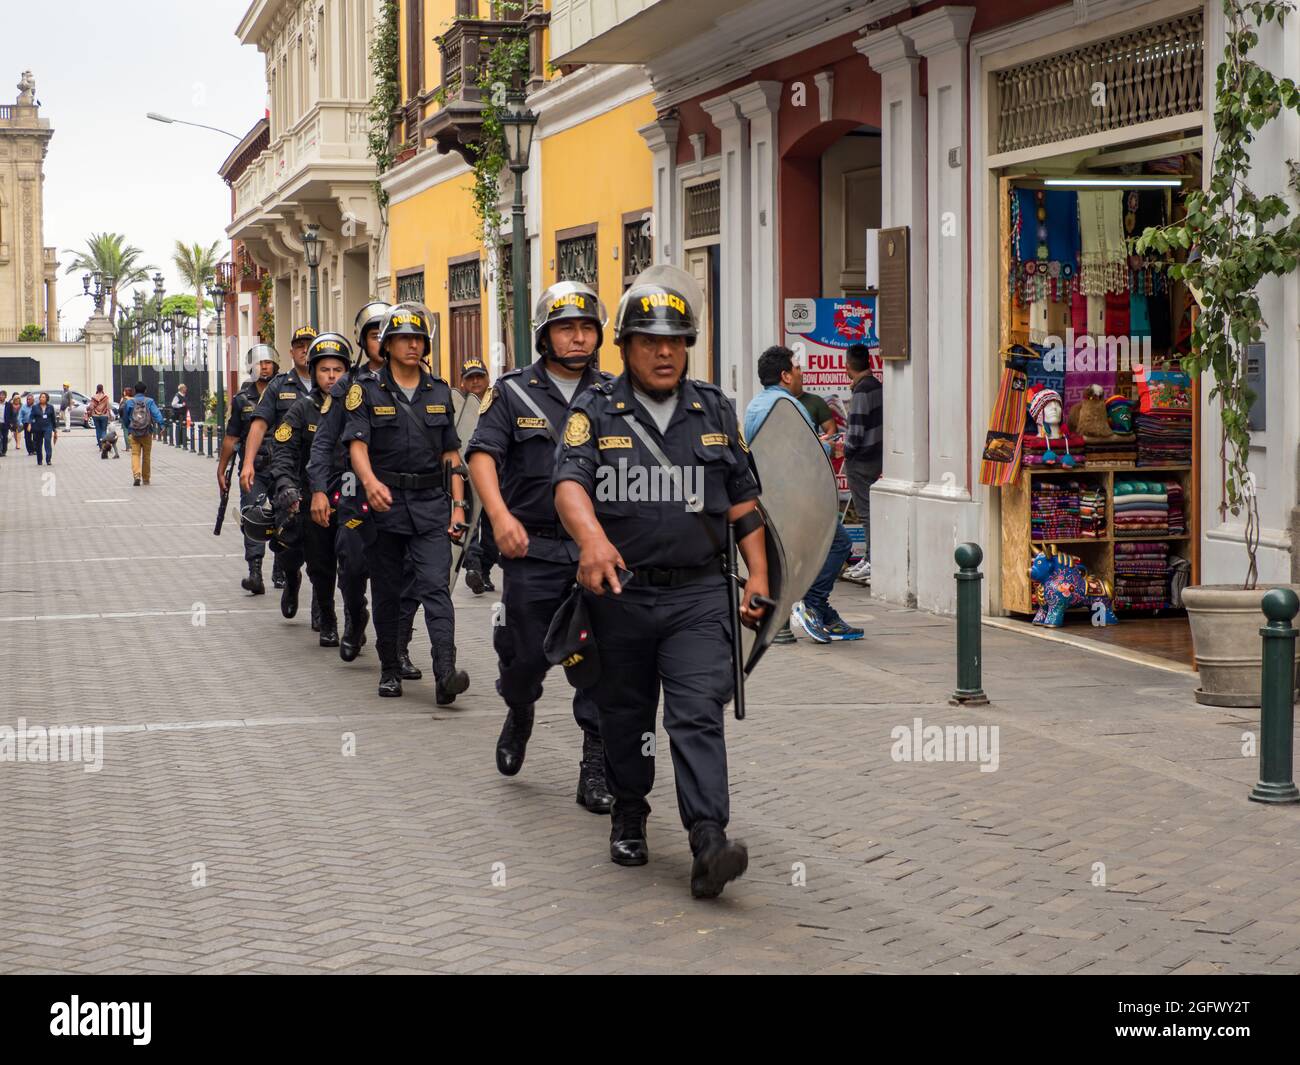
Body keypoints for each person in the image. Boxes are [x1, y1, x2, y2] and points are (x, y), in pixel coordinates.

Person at [553, 275, 770, 899]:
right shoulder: (593, 409)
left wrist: (756, 572)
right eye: (650, 341)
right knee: (624, 714)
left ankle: (709, 840)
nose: (665, 352)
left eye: (677, 341)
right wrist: (592, 541)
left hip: (699, 595)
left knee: (697, 712)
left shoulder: (714, 408)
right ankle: (629, 808)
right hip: (619, 593)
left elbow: (742, 499)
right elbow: (569, 486)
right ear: (624, 346)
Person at [466, 281, 614, 813]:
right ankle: (520, 708)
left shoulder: (615, 394)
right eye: (566, 328)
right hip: (532, 549)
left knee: (599, 661)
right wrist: (500, 517)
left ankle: (594, 765)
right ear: (545, 336)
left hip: (598, 553)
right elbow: (481, 456)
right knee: (525, 657)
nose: (578, 338)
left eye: (586, 328)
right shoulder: (511, 392)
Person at [343, 304, 470, 703]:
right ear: (388, 344)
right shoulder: (366, 390)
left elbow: (451, 455)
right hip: (386, 506)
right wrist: (369, 483)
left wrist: (460, 506)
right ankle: (390, 668)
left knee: (436, 587)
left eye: (419, 339)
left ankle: (445, 672)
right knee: (387, 590)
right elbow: (357, 446)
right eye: (404, 339)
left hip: (432, 503)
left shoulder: (439, 392)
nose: (413, 345)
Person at [308, 300, 424, 669]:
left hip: (408, 497)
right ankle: (356, 616)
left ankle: (399, 646)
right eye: (375, 334)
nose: (382, 340)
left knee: (410, 574)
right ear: (365, 339)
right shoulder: (349, 385)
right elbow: (325, 440)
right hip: (354, 491)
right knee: (354, 563)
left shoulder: (424, 383)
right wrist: (319, 489)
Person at [745, 346, 863, 644]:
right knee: (839, 544)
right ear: (785, 375)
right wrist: (826, 445)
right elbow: (803, 454)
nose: (801, 372)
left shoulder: (755, 405)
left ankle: (820, 611)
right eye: (796, 367)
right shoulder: (789, 405)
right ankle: (812, 602)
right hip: (797, 496)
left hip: (770, 495)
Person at [269, 333, 352, 647]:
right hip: (310, 496)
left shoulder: (358, 406)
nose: (331, 377)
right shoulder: (302, 410)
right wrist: (287, 486)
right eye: (325, 370)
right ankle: (324, 612)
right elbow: (283, 450)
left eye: (338, 370)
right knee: (315, 560)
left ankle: (346, 616)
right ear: (315, 373)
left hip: (351, 496)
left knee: (352, 561)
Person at [240, 326, 317, 615]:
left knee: (323, 544)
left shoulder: (336, 381)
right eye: (299, 345)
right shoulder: (280, 385)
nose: (305, 349)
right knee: (288, 538)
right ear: (291, 351)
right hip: (287, 475)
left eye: (310, 344)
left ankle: (321, 607)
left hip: (323, 475)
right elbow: (259, 423)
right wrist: (247, 463)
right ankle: (292, 578)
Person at [218, 346, 280, 595]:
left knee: (286, 517)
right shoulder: (242, 398)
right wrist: (221, 468)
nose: (264, 366)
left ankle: (283, 567)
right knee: (253, 516)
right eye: (259, 363)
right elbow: (232, 437)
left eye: (268, 362)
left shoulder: (286, 392)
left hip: (283, 468)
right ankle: (255, 572)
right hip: (253, 468)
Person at [458, 358, 499, 596]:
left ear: (487, 379)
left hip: (495, 479)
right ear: (462, 383)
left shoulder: (498, 405)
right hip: (466, 479)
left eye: (479, 376)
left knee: (493, 539)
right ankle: (472, 568)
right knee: (470, 527)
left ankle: (484, 571)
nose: (475, 381)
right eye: (470, 377)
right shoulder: (458, 407)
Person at [842, 344, 883, 582]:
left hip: (861, 460)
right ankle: (872, 558)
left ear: (847, 366)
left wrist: (845, 449)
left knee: (866, 513)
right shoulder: (876, 386)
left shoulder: (860, 392)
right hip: (876, 456)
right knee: (871, 512)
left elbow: (855, 433)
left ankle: (871, 560)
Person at [122, 382, 164, 485]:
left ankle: (136, 475)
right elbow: (156, 414)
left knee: (135, 454)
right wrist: (162, 425)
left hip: (134, 432)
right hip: (147, 432)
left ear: (135, 391)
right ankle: (146, 478)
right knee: (146, 455)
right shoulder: (149, 401)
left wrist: (129, 428)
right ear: (145, 391)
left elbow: (125, 417)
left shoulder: (130, 402)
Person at [30, 392, 59, 465]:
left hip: (48, 426)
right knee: (38, 444)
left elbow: (53, 418)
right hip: (38, 427)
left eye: (43, 397)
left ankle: (48, 459)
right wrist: (30, 424)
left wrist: (54, 429)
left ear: (47, 399)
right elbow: (31, 416)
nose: (41, 398)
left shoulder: (50, 407)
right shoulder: (35, 407)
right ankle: (39, 460)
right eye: (40, 397)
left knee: (47, 441)